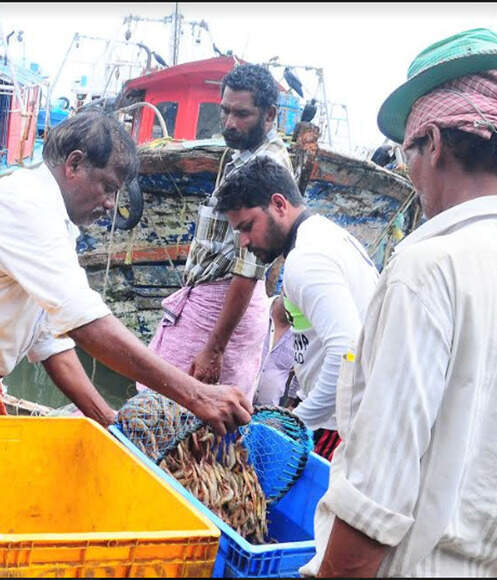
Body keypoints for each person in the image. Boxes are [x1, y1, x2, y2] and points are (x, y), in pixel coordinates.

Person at [301, 28, 497, 577]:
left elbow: (375, 503)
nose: (408, 171)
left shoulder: (426, 270)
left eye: (406, 152)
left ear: (433, 143)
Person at [0, 110, 252, 436]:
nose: (111, 205)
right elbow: (85, 323)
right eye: (108, 188)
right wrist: (195, 394)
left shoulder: (55, 223)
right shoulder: (28, 203)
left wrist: (105, 419)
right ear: (75, 164)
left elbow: (50, 340)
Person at [137, 63, 293, 395]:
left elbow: (248, 269)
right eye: (225, 112)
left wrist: (215, 347)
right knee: (173, 409)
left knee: (175, 408)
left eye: (242, 114)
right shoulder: (241, 157)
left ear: (270, 116)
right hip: (209, 303)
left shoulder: (265, 166)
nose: (230, 123)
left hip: (222, 310)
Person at [214, 155, 378, 460]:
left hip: (338, 426)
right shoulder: (326, 236)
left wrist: (300, 421)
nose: (245, 241)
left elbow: (347, 348)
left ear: (279, 204)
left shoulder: (308, 259)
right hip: (348, 415)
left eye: (248, 227)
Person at [252, 295, 296, 406]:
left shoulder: (302, 335)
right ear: (284, 287)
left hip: (267, 415)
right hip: (232, 404)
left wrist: (291, 406)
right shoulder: (255, 310)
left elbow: (302, 373)